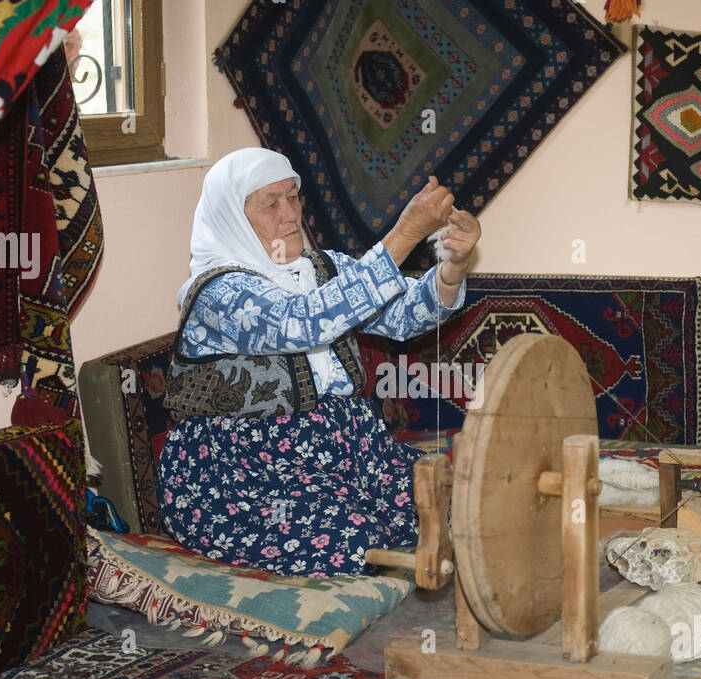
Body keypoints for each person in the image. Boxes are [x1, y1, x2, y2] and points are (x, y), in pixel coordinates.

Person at [156, 147, 481, 578]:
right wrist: (406, 231)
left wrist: (453, 265)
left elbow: (406, 317)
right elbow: (304, 322)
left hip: (345, 448)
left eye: (293, 197)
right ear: (233, 217)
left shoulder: (320, 269)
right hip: (243, 469)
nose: (289, 213)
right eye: (270, 203)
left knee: (452, 502)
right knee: (354, 540)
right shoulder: (219, 294)